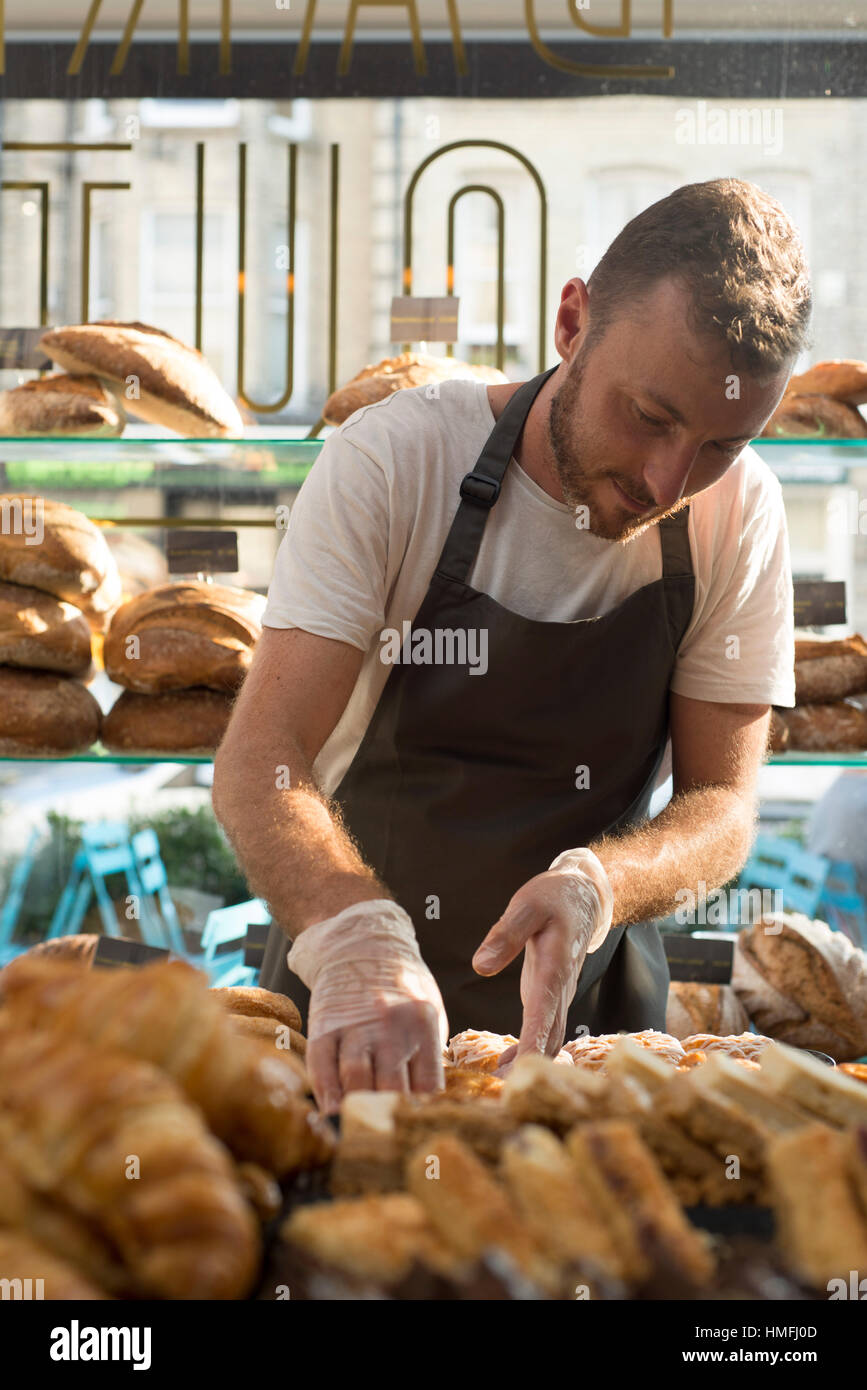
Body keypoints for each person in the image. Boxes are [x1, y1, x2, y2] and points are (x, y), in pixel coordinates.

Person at [213, 177, 807, 1112]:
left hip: (584, 1041)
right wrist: (355, 936)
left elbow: (721, 805)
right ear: (572, 322)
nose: (668, 480)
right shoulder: (394, 462)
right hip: (346, 1020)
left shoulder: (742, 512)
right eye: (649, 418)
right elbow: (261, 758)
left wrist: (598, 883)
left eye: (720, 445)